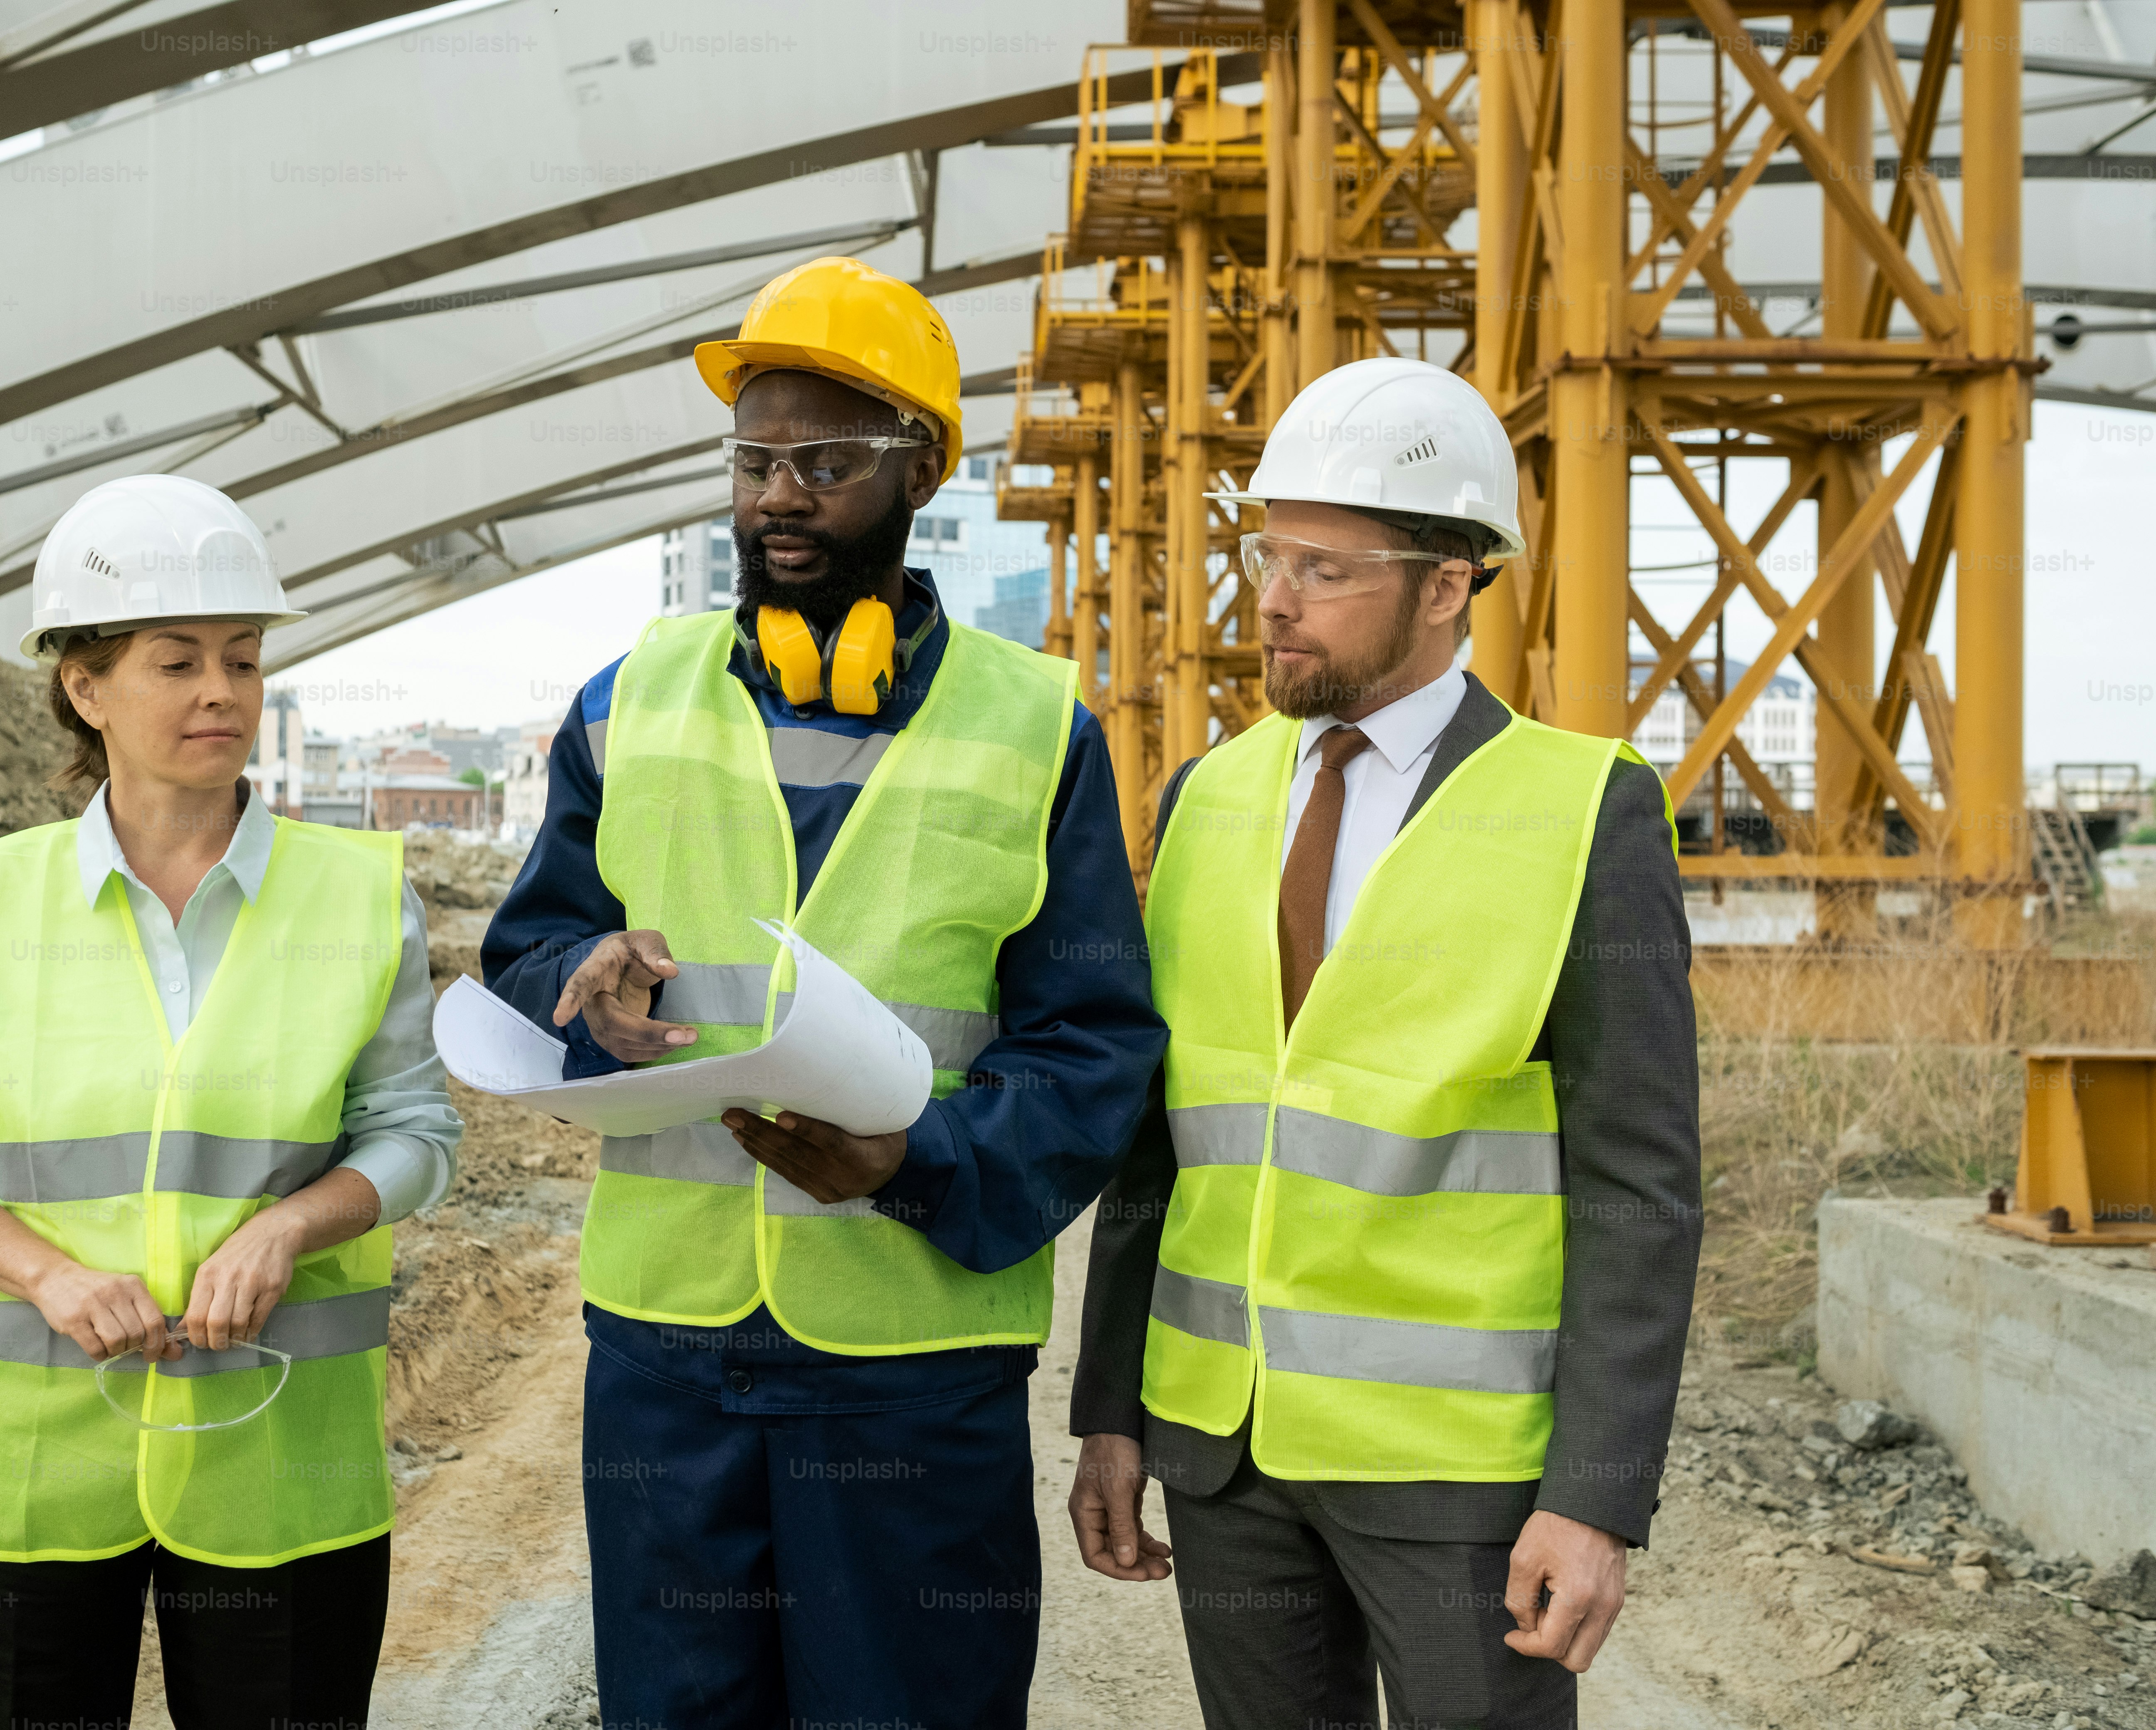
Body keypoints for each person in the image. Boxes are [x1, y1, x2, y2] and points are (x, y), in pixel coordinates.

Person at [482, 255, 1166, 1729]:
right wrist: (571, 982)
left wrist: (916, 1160)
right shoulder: (626, 702)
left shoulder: (1036, 729)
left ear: (921, 470)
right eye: (754, 459)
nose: (778, 496)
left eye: (827, 462)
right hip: (667, 1357)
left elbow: (1094, 1046)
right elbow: (531, 942)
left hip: (912, 1361)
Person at [1065, 357, 1702, 1729]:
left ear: (1450, 581)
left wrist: (1595, 1500)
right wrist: (1110, 1414)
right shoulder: (1205, 799)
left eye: (1326, 568)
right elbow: (1153, 1150)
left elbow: (1638, 1184)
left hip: (1456, 1475)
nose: (1275, 599)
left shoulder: (1585, 809)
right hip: (1224, 1454)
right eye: (1267, 554)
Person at [0, 475, 464, 1730]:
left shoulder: (357, 898)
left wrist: (291, 1227)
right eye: (177, 661)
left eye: (242, 661)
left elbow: (414, 1132)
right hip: (25, 1461)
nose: (221, 693)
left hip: (280, 1457)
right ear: (85, 687)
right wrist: (50, 1279)